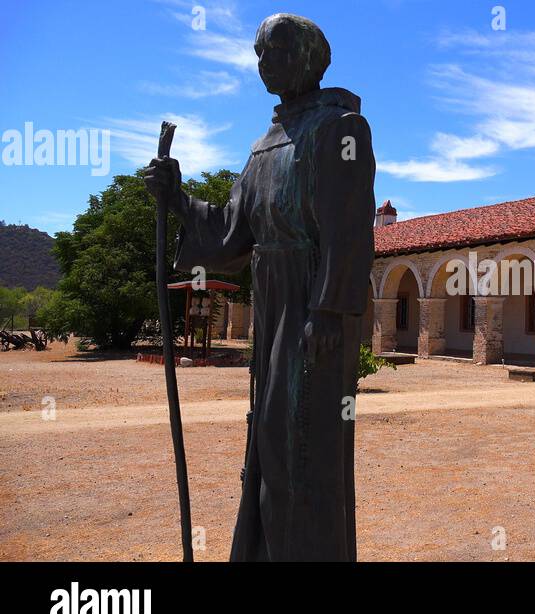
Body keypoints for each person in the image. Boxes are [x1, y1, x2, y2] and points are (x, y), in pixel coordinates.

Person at [144, 13, 375, 561]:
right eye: (258, 53)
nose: (264, 63)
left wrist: (328, 310)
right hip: (274, 301)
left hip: (313, 305)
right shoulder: (263, 146)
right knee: (271, 436)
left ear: (308, 57)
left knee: (306, 440)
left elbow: (349, 229)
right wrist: (177, 199)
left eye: (275, 50)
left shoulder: (341, 129)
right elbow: (232, 230)